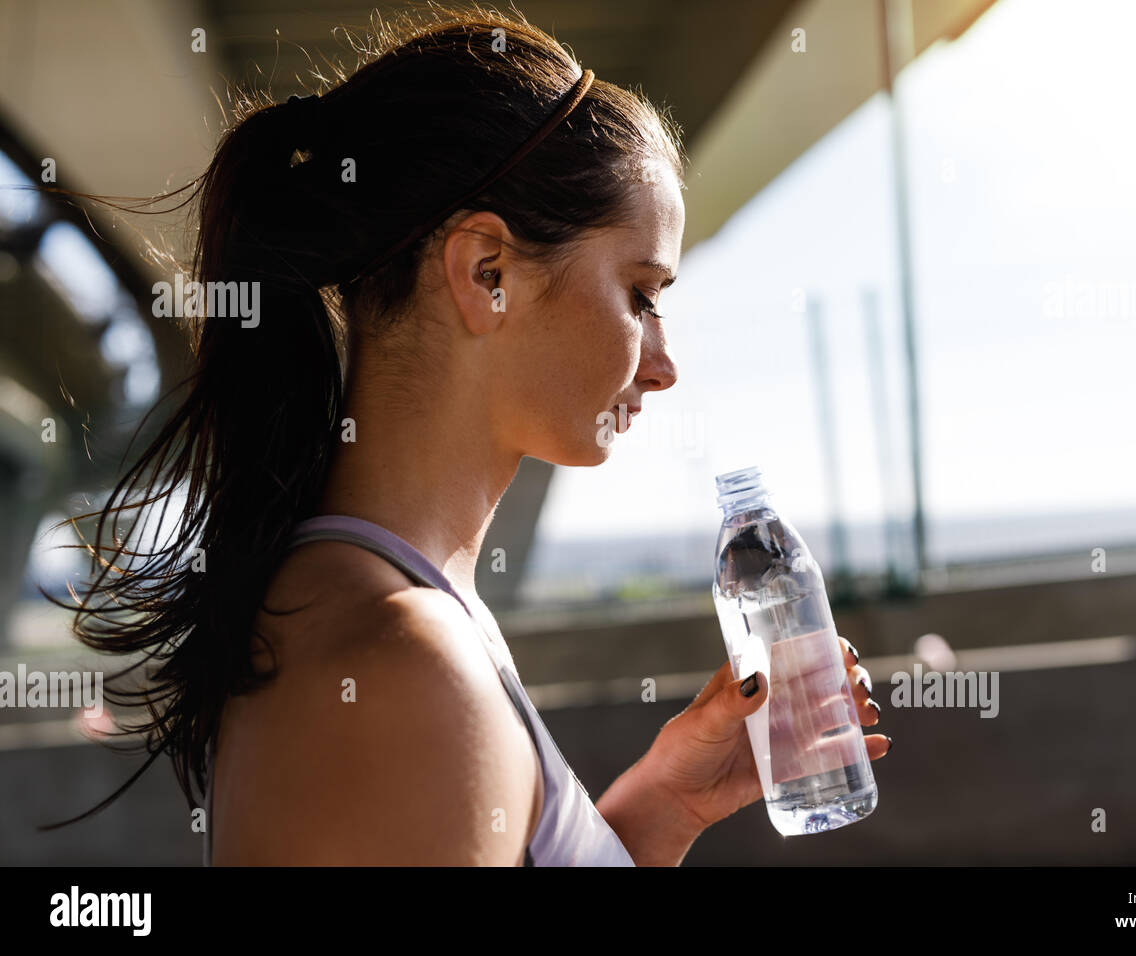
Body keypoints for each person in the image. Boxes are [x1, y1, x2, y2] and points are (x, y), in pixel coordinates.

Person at [49, 5, 890, 865]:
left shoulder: (397, 620)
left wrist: (663, 804)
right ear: (487, 274)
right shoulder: (400, 671)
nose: (664, 364)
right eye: (641, 295)